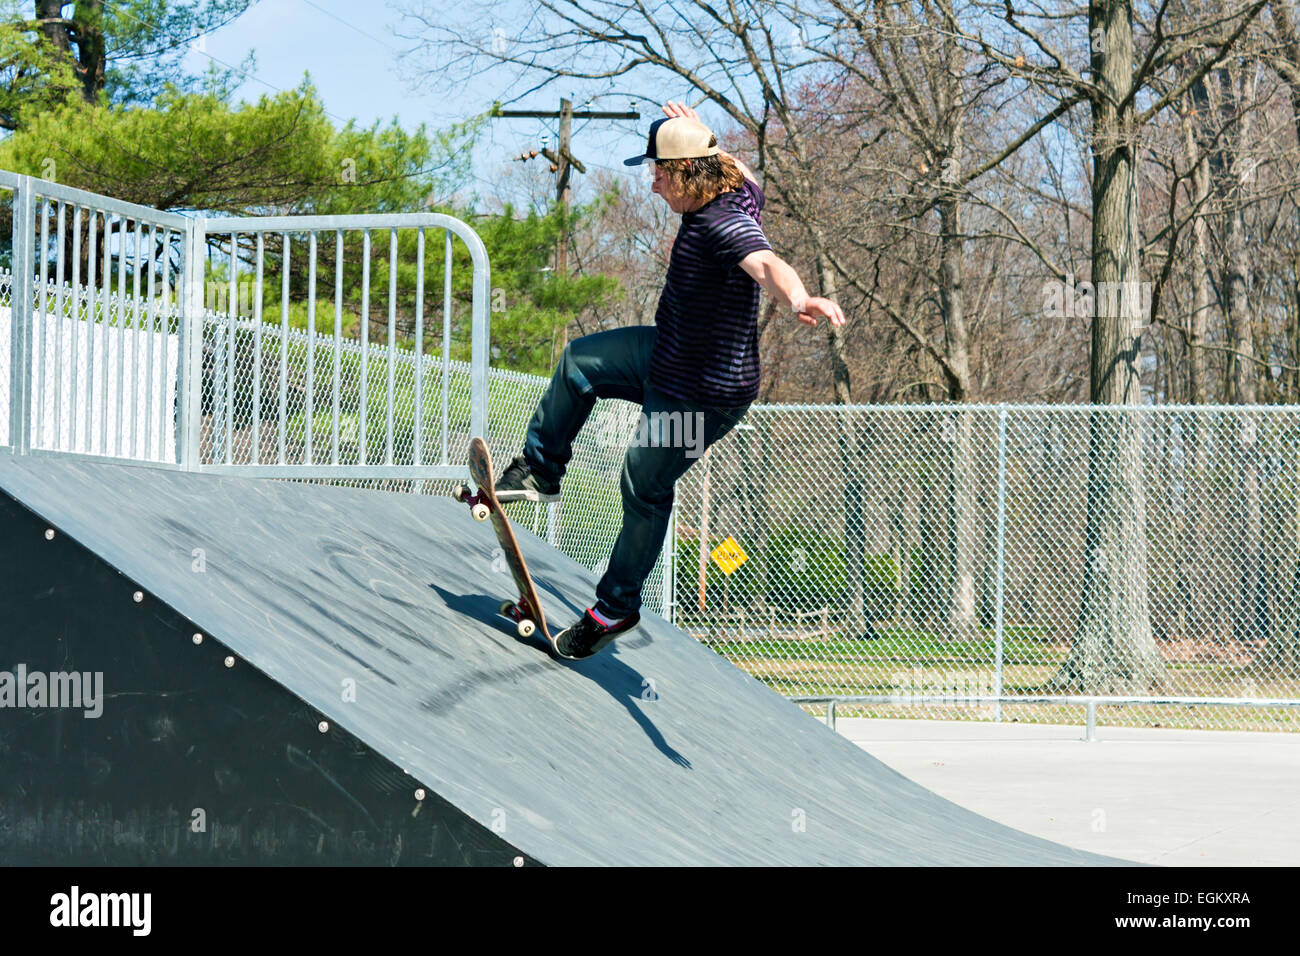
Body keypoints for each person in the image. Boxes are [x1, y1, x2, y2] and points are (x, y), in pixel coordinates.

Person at [496, 101, 845, 660]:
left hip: (704, 396)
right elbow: (740, 167)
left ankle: (615, 607)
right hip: (668, 353)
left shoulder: (724, 223)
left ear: (688, 175)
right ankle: (540, 468)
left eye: (660, 175)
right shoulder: (733, 185)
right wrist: (693, 129)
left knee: (643, 480)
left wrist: (800, 297)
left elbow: (766, 263)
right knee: (580, 362)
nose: (654, 186)